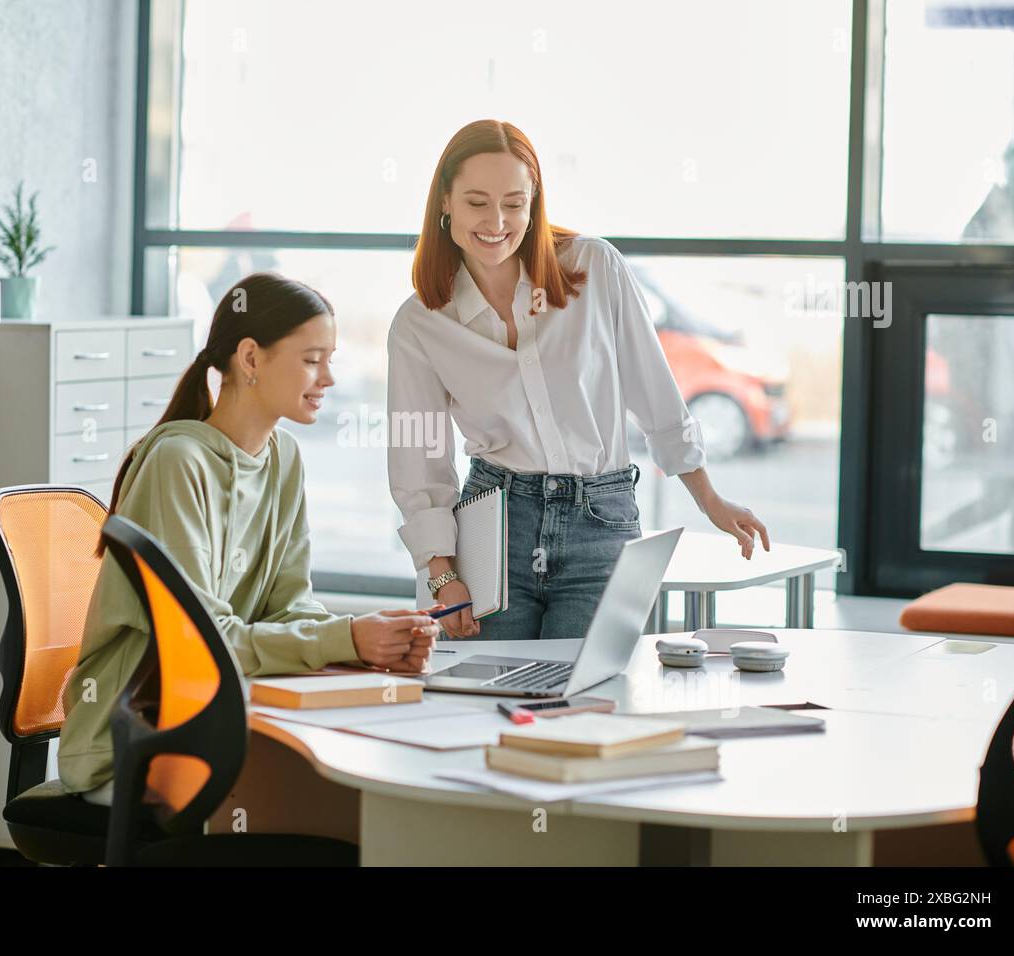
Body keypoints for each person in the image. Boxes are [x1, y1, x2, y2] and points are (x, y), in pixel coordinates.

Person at [60, 272, 440, 803]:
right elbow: (203, 643)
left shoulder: (283, 458)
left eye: (330, 358)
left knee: (356, 793)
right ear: (251, 359)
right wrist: (347, 639)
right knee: (334, 801)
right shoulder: (178, 463)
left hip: (214, 710)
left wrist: (366, 646)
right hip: (132, 741)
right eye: (312, 359)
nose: (329, 377)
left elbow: (288, 607)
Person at [387, 119, 770, 642]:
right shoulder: (420, 323)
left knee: (589, 701)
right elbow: (420, 463)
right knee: (488, 700)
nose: (496, 220)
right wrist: (442, 573)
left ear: (533, 202)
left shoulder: (593, 267)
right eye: (477, 202)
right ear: (445, 202)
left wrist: (710, 499)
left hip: (602, 522)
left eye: (513, 202)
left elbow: (655, 394)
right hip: (495, 527)